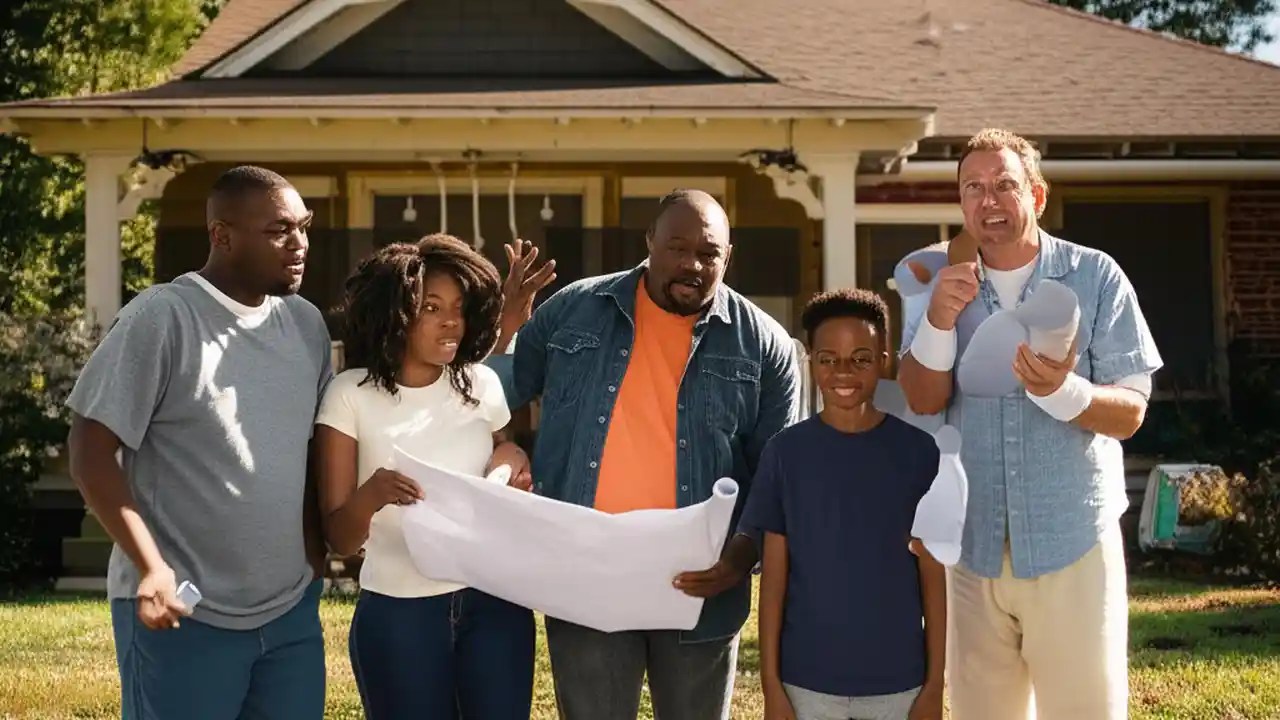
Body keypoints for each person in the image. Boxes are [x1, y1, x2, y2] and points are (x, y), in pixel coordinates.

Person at [500, 189, 801, 719]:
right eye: (677, 247)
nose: (692, 264)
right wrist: (504, 340)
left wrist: (740, 556)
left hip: (702, 584)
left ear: (727, 258)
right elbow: (490, 395)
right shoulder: (573, 310)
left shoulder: (765, 345)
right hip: (586, 574)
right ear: (650, 244)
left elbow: (778, 478)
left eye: (709, 253)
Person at [898, 128, 1162, 720]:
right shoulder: (937, 282)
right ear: (961, 201)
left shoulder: (1096, 277)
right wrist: (940, 319)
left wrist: (1062, 391)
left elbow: (1131, 413)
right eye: (973, 188)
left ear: (1036, 196)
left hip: (1072, 541)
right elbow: (921, 397)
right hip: (972, 549)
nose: (987, 200)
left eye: (1004, 185)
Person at [65, 165, 333, 719]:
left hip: (289, 618)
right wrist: (151, 568)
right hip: (182, 613)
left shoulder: (305, 326)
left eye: (303, 227)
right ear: (222, 235)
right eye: (279, 230)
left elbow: (309, 455)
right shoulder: (162, 317)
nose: (299, 244)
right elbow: (90, 452)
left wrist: (312, 560)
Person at [313, 235, 536, 719]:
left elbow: (508, 448)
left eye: (458, 306)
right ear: (395, 314)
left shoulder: (481, 383)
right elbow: (340, 539)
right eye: (431, 307)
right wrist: (373, 493)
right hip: (400, 612)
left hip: (495, 601)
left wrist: (511, 467)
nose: (451, 319)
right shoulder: (349, 395)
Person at [743, 289, 946, 720]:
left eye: (860, 358)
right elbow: (774, 583)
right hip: (806, 684)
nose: (843, 372)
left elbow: (933, 578)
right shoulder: (784, 454)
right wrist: (771, 689)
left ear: (883, 360)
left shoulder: (919, 454)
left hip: (899, 685)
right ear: (812, 362)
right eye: (828, 359)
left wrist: (934, 686)